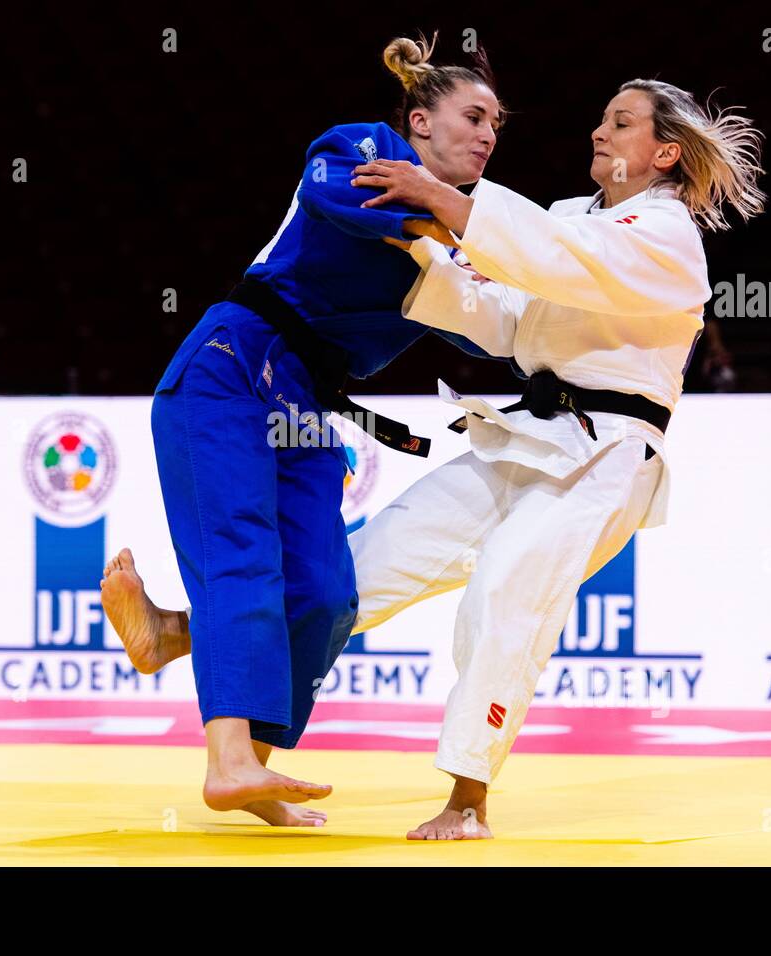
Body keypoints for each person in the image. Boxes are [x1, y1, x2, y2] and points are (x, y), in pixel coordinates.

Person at [106, 78, 765, 840]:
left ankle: (467, 799)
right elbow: (508, 321)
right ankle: (182, 636)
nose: (599, 131)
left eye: (621, 124)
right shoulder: (565, 217)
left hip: (608, 452)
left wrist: (443, 207)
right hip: (527, 432)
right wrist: (421, 247)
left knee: (506, 590)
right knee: (354, 578)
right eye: (602, 118)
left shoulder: (667, 233)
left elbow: (557, 258)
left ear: (664, 152)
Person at [104, 35, 504, 828]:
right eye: (473, 115)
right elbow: (331, 198)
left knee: (324, 594)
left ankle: (215, 711)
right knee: (243, 550)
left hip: (308, 402)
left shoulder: (465, 241)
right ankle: (229, 762)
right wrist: (440, 235)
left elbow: (494, 331)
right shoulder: (372, 147)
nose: (489, 134)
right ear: (421, 119)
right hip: (233, 363)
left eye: (498, 124)